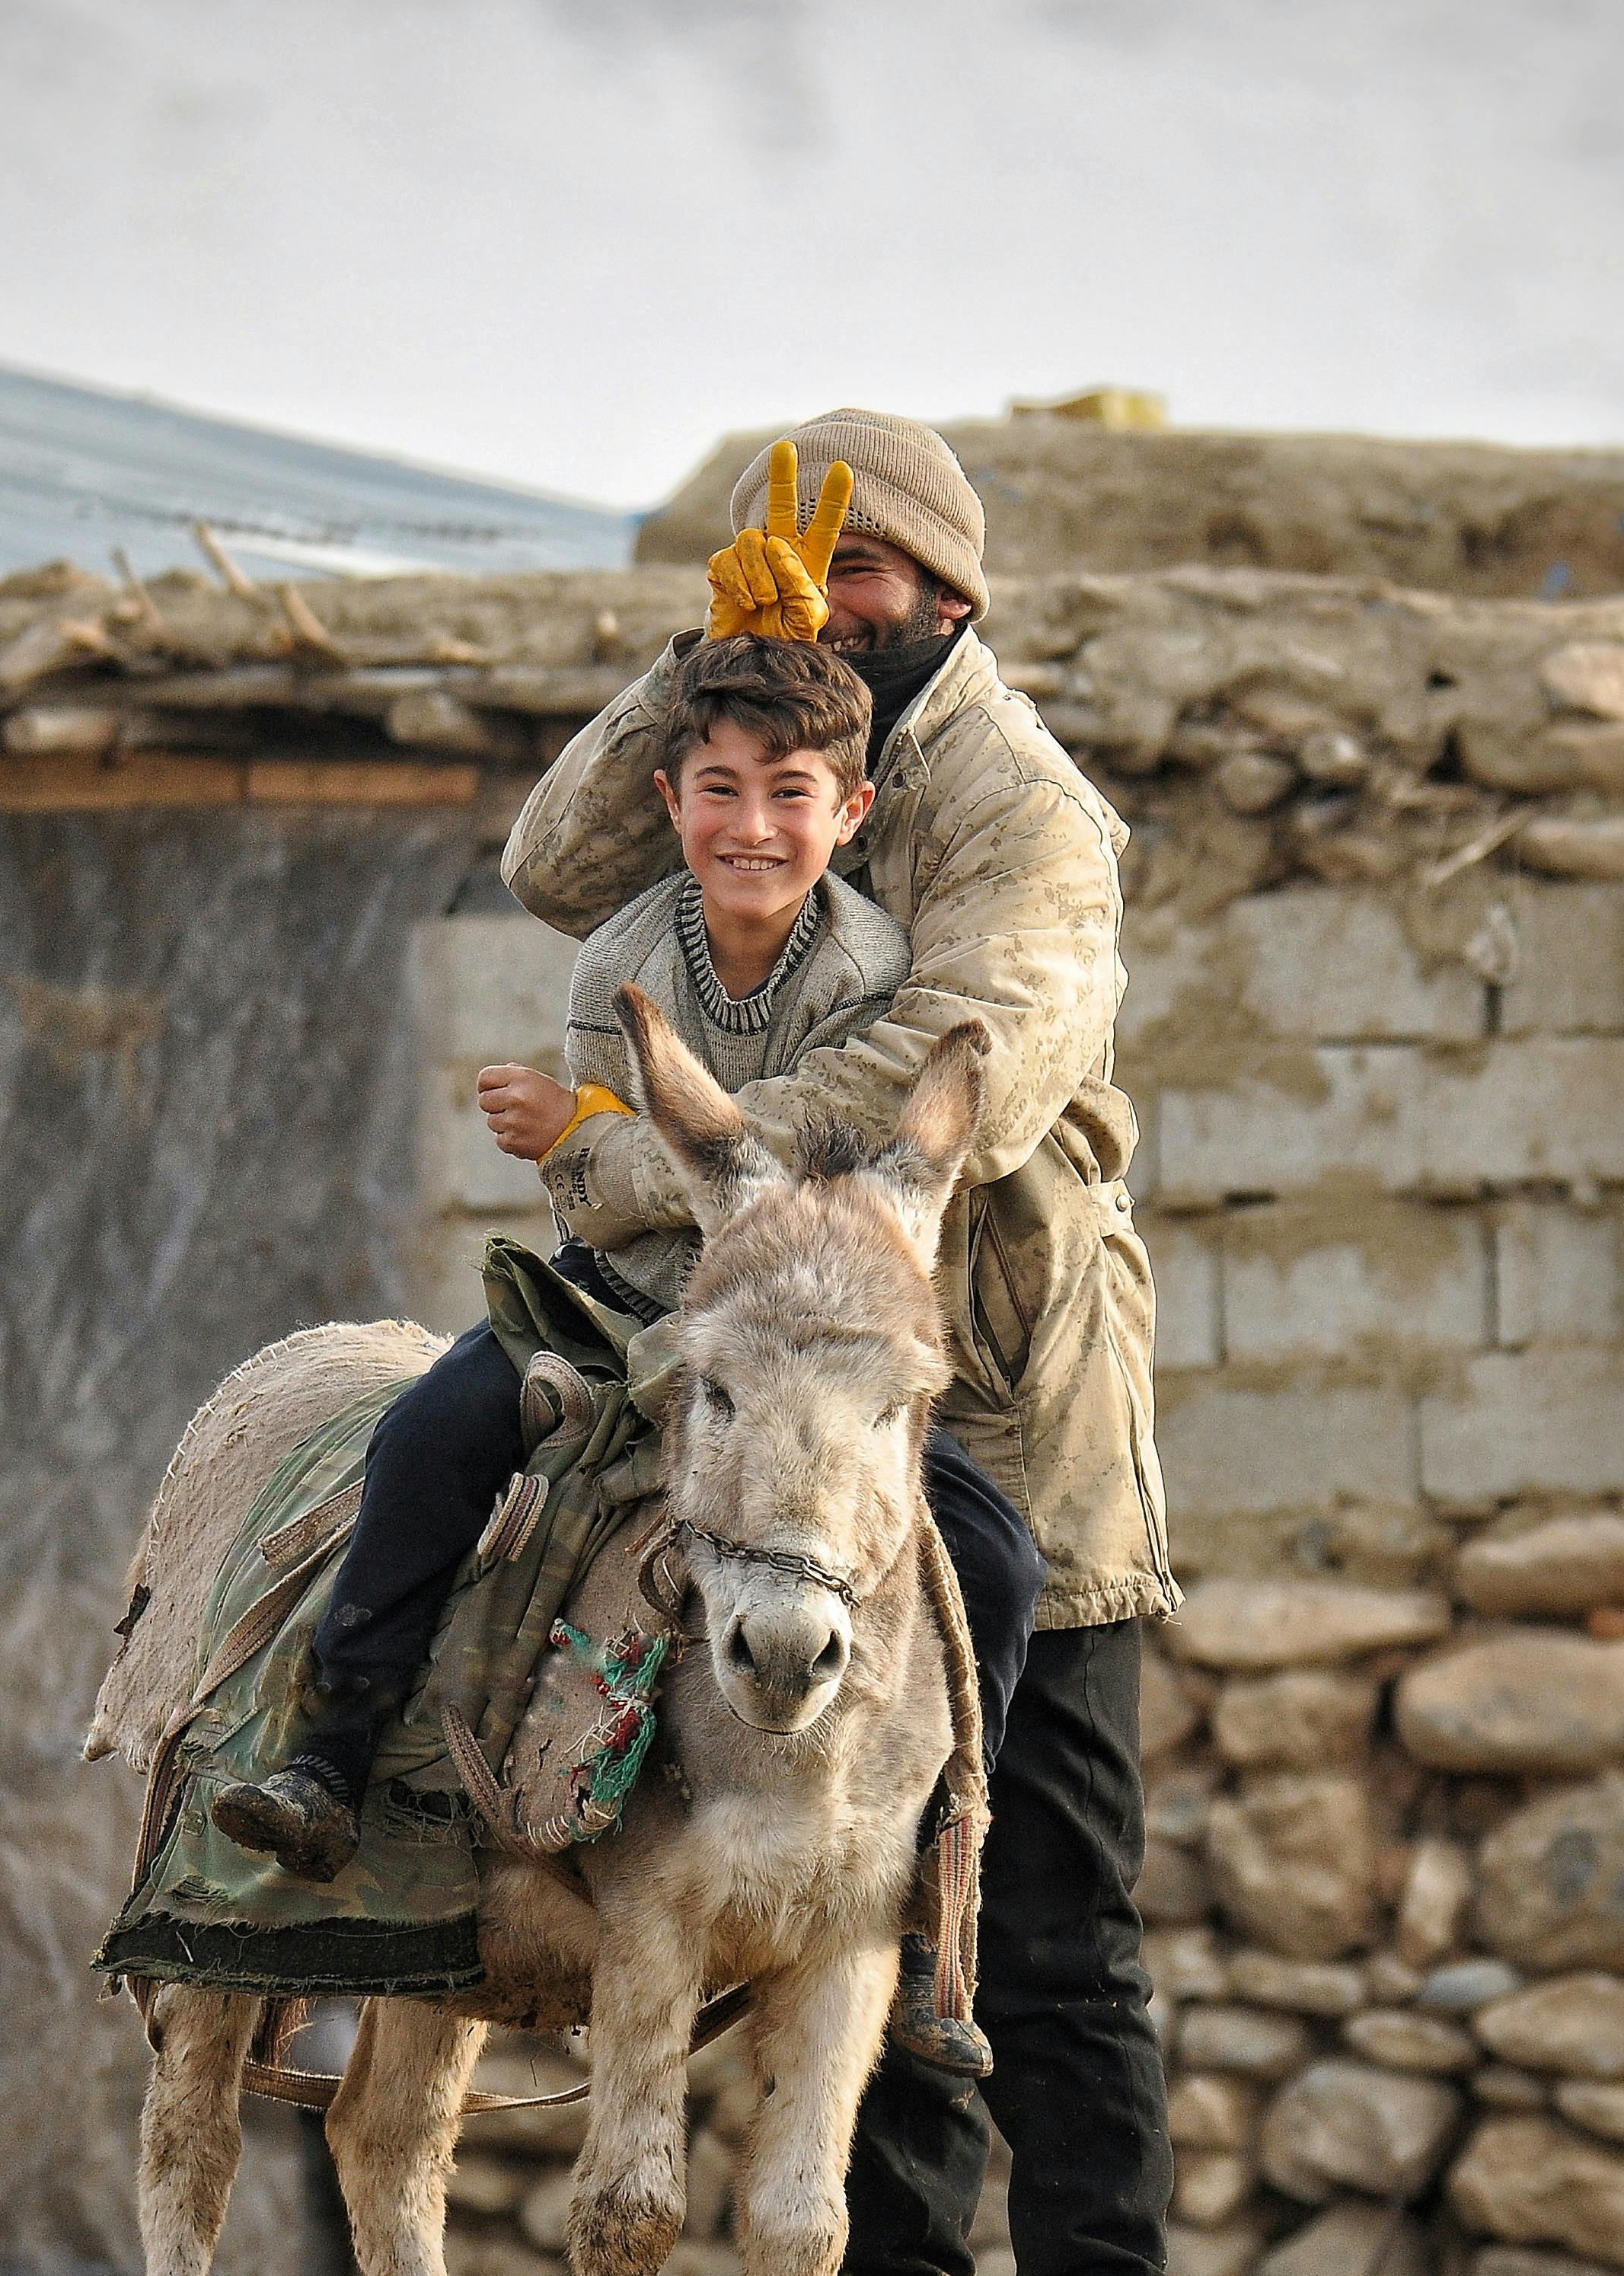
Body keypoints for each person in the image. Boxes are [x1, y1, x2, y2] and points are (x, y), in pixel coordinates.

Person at [503, 410, 1186, 2276]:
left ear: (946, 595)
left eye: (851, 585)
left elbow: (942, 1085)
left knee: (1040, 1928)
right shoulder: (771, 733)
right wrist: (694, 667)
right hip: (801, 1419)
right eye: (780, 580)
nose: (821, 615)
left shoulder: (1025, 819)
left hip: (997, 1408)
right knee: (839, 1926)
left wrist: (639, 1157)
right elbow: (550, 864)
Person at [209, 635, 1044, 2040]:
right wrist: (600, 1147)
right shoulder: (620, 965)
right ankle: (332, 1750)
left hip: (797, 1352)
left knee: (1000, 1563)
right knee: (433, 1433)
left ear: (850, 813)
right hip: (627, 1300)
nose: (755, 828)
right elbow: (604, 1199)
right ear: (671, 803)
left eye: (792, 794)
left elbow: (827, 1176)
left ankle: (945, 1879)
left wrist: (605, 1138)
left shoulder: (879, 971)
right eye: (721, 790)